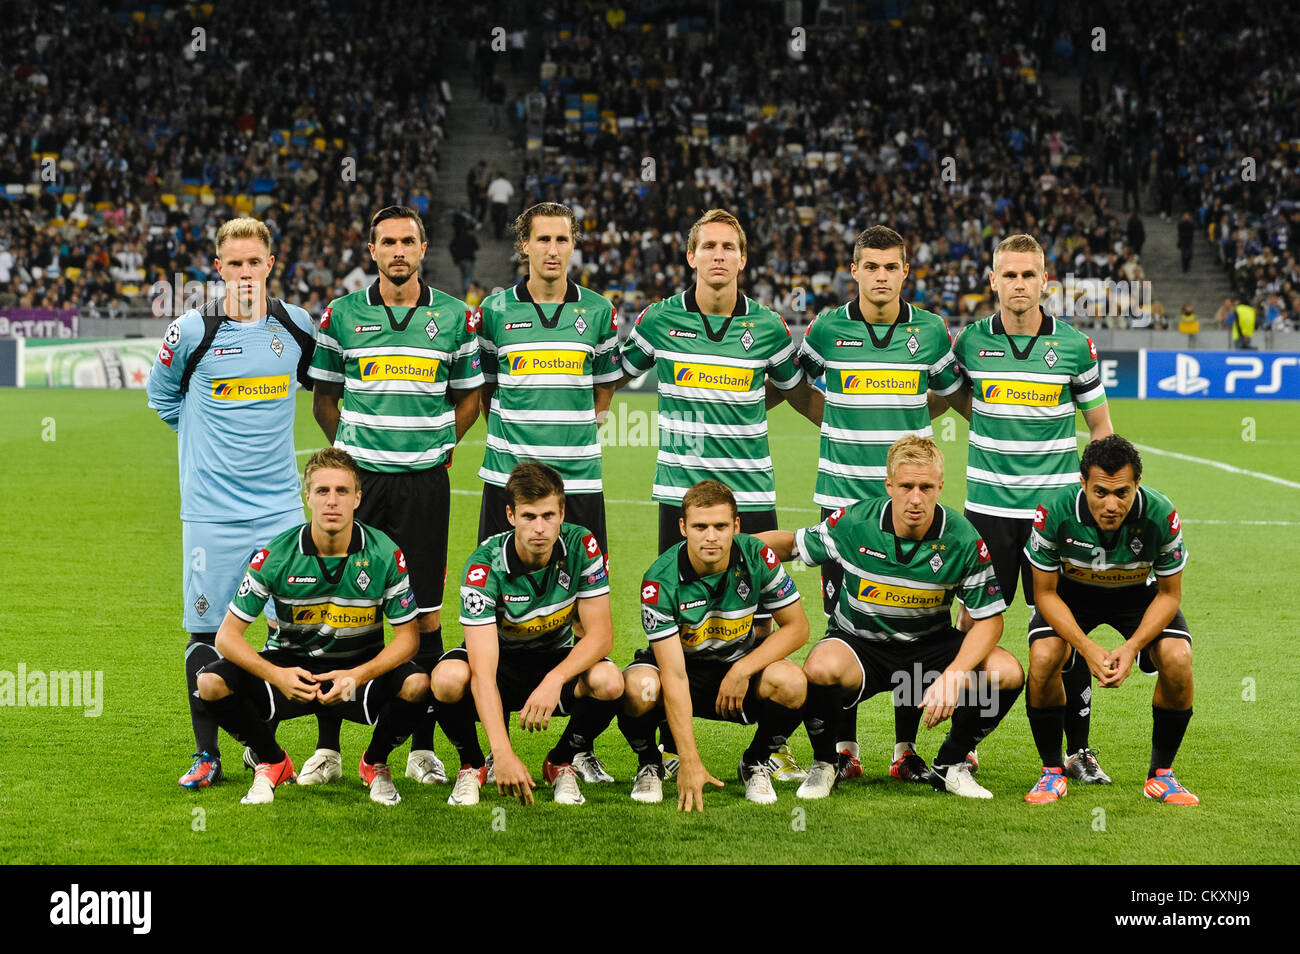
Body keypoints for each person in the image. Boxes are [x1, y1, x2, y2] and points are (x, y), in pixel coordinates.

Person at [617, 207, 812, 780]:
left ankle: (768, 745)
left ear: (743, 258)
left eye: (730, 247)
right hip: (681, 498)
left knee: (758, 618)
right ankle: (672, 746)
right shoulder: (658, 320)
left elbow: (792, 393)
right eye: (710, 247)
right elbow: (612, 377)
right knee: (681, 618)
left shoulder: (770, 328)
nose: (719, 256)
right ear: (691, 256)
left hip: (750, 495)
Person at [310, 205, 483, 789]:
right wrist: (351, 463)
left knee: (425, 613)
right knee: (343, 607)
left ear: (423, 247)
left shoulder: (457, 318)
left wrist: (437, 443)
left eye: (408, 241)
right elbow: (323, 400)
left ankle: (421, 748)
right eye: (388, 242)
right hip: (363, 486)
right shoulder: (341, 315)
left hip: (425, 486)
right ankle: (328, 746)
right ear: (372, 250)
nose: (399, 251)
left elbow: (468, 400)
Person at [787, 224, 965, 785]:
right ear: (855, 271)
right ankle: (844, 746)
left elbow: (948, 393)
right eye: (871, 267)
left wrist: (909, 429)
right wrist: (835, 419)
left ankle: (906, 748)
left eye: (892, 267)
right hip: (842, 503)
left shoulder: (932, 332)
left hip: (909, 504)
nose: (881, 276)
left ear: (905, 271)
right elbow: (795, 386)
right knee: (846, 623)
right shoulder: (826, 329)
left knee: (913, 618)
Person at [146, 216, 318, 790]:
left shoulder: (296, 327)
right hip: (211, 514)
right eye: (235, 263)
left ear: (272, 264)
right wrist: (201, 448)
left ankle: (259, 741)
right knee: (207, 633)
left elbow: (323, 386)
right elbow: (162, 398)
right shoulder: (191, 331)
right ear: (218, 269)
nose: (246, 272)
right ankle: (207, 754)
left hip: (281, 513)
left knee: (289, 629)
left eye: (255, 262)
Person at [758, 436, 1023, 800]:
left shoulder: (962, 538)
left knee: (1005, 672)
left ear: (940, 487)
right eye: (907, 486)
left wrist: (954, 674)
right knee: (820, 667)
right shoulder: (856, 523)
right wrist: (734, 547)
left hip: (929, 649)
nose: (916, 498)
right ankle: (825, 763)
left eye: (926, 487)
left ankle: (950, 763)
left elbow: (990, 621)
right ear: (889, 485)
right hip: (861, 646)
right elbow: (791, 545)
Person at [943, 233, 1114, 785]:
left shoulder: (1074, 346)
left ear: (1046, 282)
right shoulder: (970, 342)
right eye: (1008, 275)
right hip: (987, 514)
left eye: (1028, 275)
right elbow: (957, 398)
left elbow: (1101, 428)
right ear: (992, 281)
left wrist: (1099, 499)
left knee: (1066, 630)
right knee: (974, 624)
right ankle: (963, 747)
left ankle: (1078, 751)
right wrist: (996, 419)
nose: (1018, 284)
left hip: (1056, 518)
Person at [195, 448, 429, 806]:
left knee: (417, 684)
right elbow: (227, 637)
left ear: (357, 498)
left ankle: (375, 762)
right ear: (307, 497)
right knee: (210, 682)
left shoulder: (384, 553)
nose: (331, 501)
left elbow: (409, 639)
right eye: (322, 491)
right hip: (293, 670)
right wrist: (276, 675)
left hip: (357, 672)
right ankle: (272, 761)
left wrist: (359, 675)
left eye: (341, 491)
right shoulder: (276, 555)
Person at [432, 462, 624, 807]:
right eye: (529, 516)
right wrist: (503, 752)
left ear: (562, 513)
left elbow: (601, 636)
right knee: (446, 679)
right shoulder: (484, 566)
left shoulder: (582, 545)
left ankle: (561, 761)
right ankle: (474, 764)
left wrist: (555, 679)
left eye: (549, 515)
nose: (540, 528)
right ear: (510, 515)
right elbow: (483, 673)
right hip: (499, 662)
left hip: (554, 657)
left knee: (609, 681)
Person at [1022, 435, 1197, 805]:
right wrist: (1084, 647)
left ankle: (1161, 776)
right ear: (1083, 483)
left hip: (1136, 595)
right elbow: (1044, 594)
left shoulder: (1160, 513)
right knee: (1043, 657)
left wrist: (1133, 646)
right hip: (1071, 594)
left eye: (1123, 493)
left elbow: (1169, 595)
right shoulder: (1054, 510)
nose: (1112, 504)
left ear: (1137, 486)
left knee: (1178, 660)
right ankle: (1052, 771)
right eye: (1100, 492)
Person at [619, 480, 810, 810]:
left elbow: (797, 628)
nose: (711, 536)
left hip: (736, 671)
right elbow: (675, 676)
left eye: (721, 526)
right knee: (639, 688)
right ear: (683, 527)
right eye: (700, 526)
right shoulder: (658, 580)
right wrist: (691, 761)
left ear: (736, 526)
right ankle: (651, 762)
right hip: (680, 673)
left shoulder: (756, 555)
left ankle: (756, 761)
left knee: (792, 683)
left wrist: (742, 669)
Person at [475, 202, 620, 556]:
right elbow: (486, 390)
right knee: (501, 590)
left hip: (579, 479)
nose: (552, 250)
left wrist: (574, 433)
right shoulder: (494, 311)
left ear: (573, 244)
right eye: (542, 239)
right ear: (524, 244)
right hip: (507, 477)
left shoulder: (601, 311)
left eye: (561, 239)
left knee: (584, 593)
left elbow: (604, 388)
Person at [487, 170, 515, 240]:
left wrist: (490, 204)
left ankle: (497, 235)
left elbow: (489, 194)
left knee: (496, 219)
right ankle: (501, 235)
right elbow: (511, 194)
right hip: (503, 203)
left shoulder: (494, 183)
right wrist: (509, 202)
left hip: (495, 203)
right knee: (502, 219)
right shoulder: (507, 183)